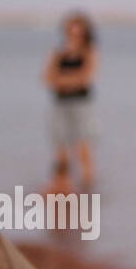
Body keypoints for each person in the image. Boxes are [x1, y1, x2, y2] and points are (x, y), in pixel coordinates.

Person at [42, 12, 99, 193]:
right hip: (60, 104)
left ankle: (88, 188)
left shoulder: (89, 52)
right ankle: (63, 186)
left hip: (81, 104)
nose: (73, 34)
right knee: (61, 146)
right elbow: (47, 77)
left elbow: (85, 78)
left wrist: (63, 80)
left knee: (83, 147)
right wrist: (68, 81)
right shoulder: (59, 53)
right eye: (71, 30)